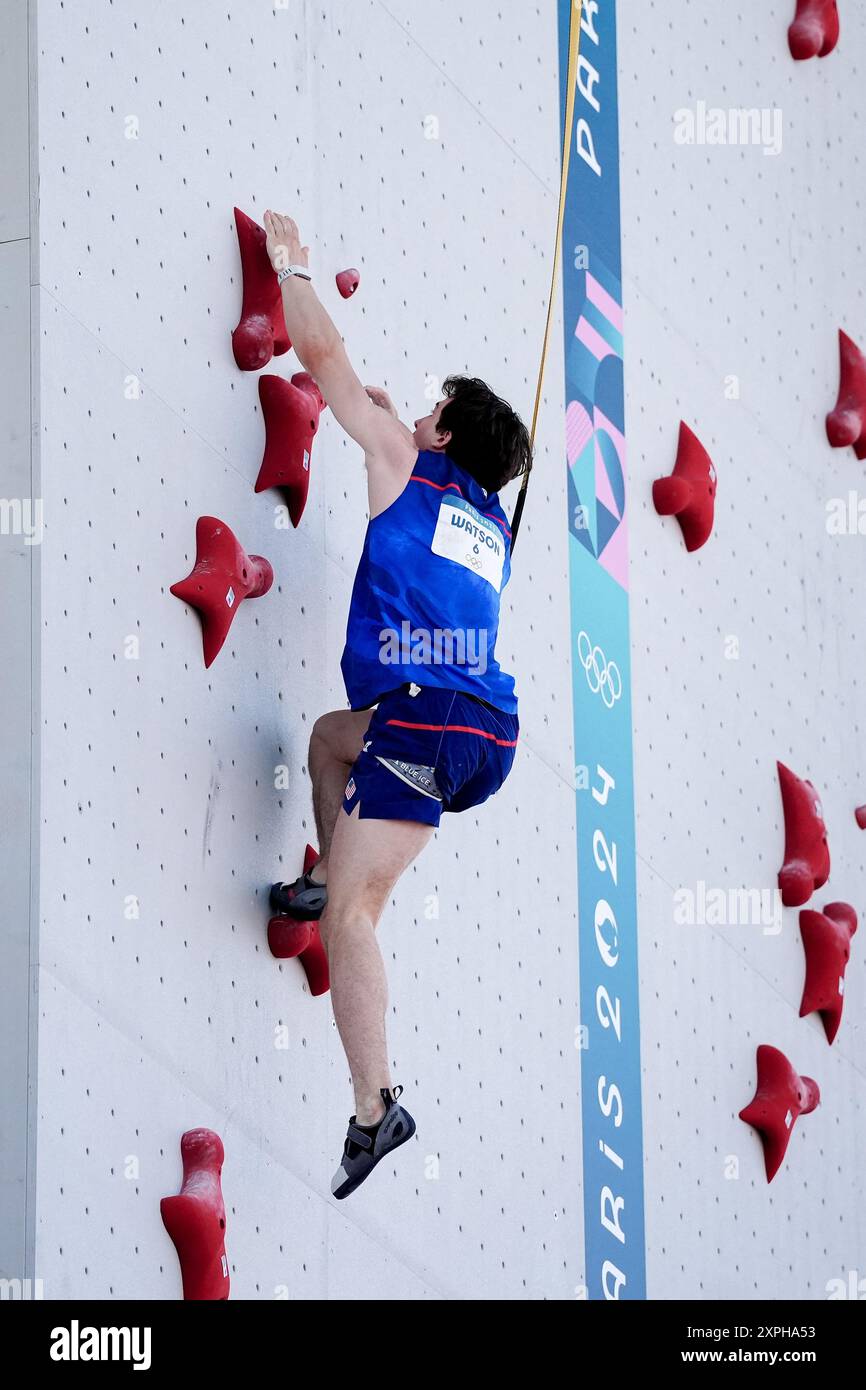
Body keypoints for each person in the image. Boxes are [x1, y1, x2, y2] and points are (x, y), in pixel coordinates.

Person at [263, 211, 530, 1198]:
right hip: (479, 726)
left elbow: (323, 357)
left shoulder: (410, 463)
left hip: (428, 711)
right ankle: (327, 873)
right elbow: (419, 471)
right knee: (329, 742)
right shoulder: (487, 518)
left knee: (354, 915)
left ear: (444, 434)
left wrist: (291, 261)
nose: (411, 414)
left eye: (427, 409)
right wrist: (398, 431)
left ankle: (375, 1107)